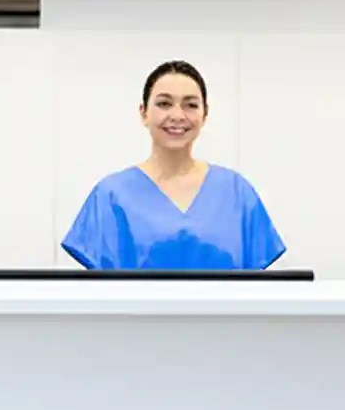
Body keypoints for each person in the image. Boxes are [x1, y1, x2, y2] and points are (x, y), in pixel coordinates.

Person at [61, 60, 286, 270]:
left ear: (204, 114)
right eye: (164, 104)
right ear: (144, 113)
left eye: (190, 105)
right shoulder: (110, 196)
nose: (177, 115)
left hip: (223, 314)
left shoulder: (237, 193)